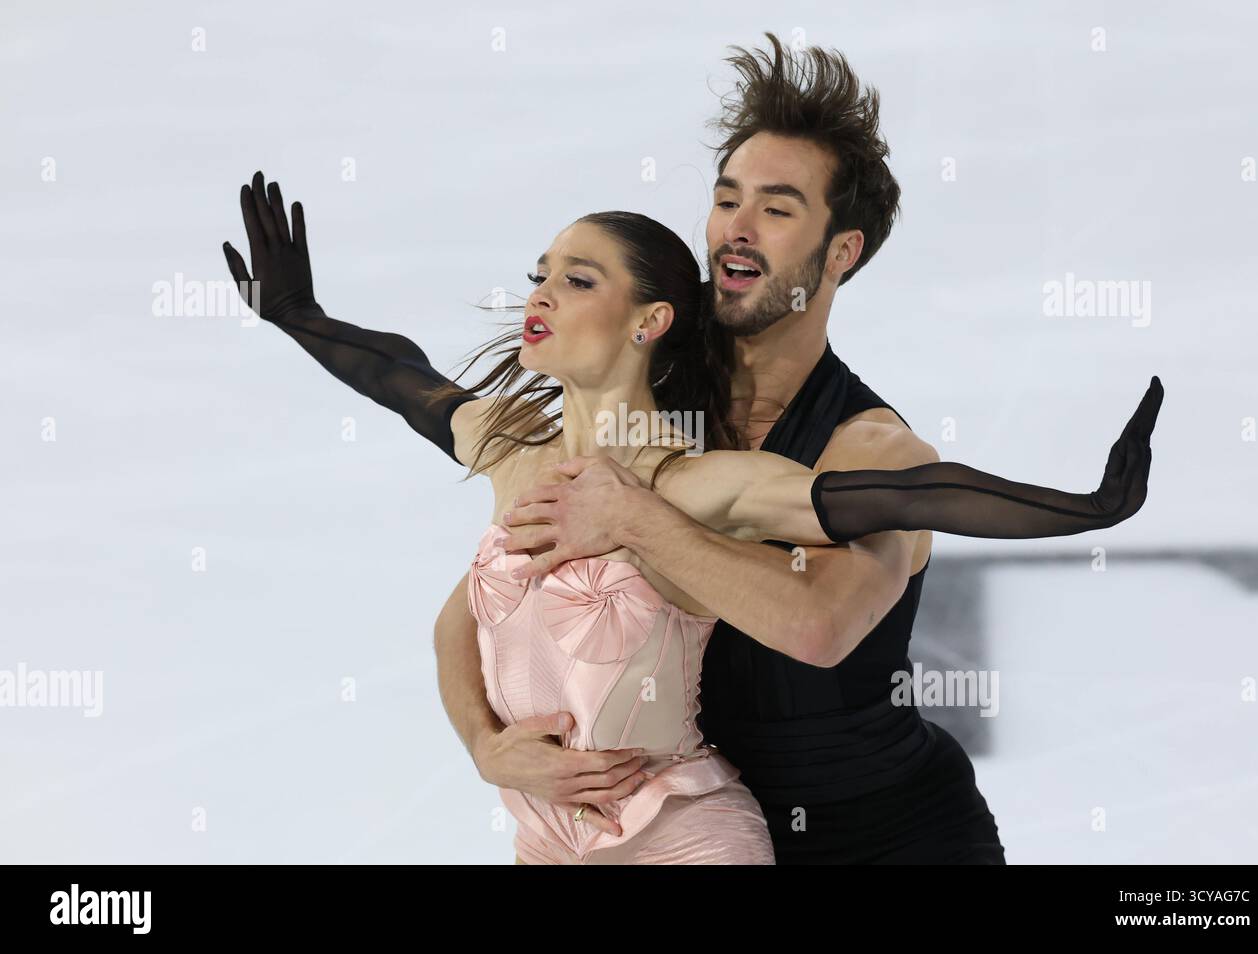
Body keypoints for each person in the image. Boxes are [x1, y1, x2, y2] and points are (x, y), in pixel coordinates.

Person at [222, 164, 1161, 863]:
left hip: (684, 838)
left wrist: (1082, 508)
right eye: (541, 272)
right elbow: (398, 374)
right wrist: (297, 312)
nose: (540, 294)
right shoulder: (510, 446)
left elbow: (884, 496)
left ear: (650, 321)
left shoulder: (698, 482)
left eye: (579, 280)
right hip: (547, 834)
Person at [437, 33, 1166, 864]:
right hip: (687, 831)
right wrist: (486, 743)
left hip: (887, 841)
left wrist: (636, 520)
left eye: (778, 210)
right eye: (726, 199)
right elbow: (470, 608)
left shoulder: (872, 448)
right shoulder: (643, 394)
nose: (735, 232)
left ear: (841, 251)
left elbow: (817, 624)